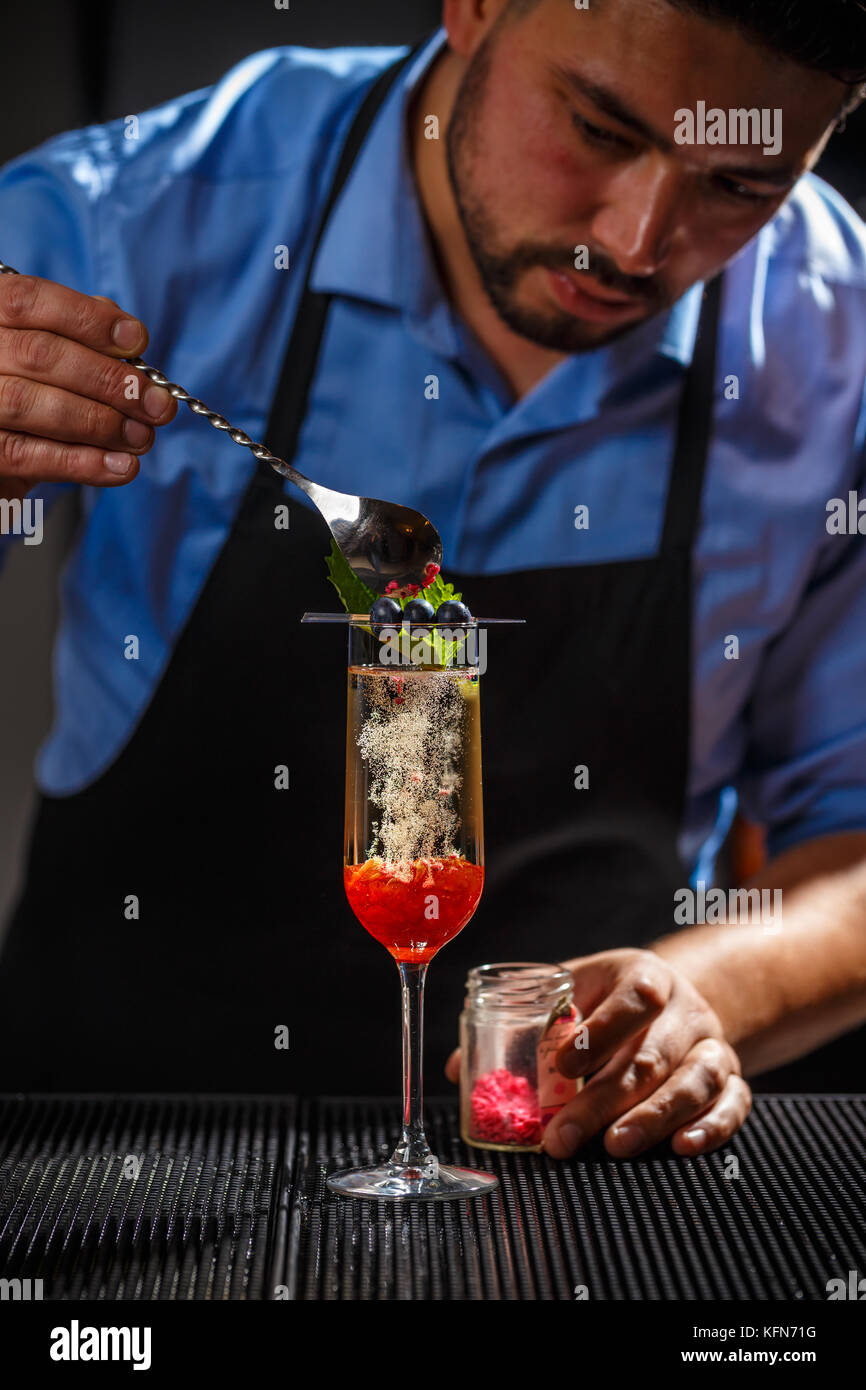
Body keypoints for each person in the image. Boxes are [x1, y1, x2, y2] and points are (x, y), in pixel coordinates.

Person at [0, 0, 865, 1163]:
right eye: (600, 130)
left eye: (741, 186)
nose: (630, 241)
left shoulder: (834, 340)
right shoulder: (129, 222)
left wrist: (704, 991)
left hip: (561, 1169)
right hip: (109, 1147)